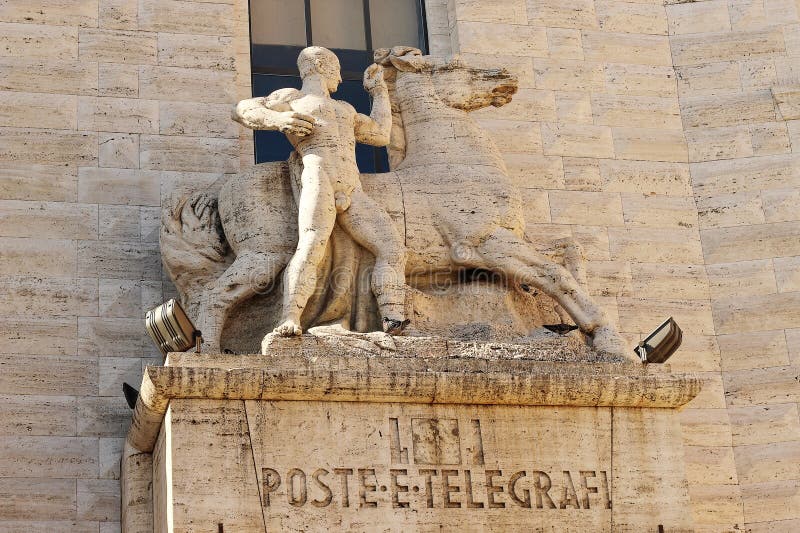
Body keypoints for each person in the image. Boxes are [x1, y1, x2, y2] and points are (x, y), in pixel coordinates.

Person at [233, 46, 409, 336]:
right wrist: (278, 120)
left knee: (391, 249)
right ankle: (289, 317)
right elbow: (242, 109)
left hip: (353, 189)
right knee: (312, 244)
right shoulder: (293, 98)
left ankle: (393, 318)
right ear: (322, 67)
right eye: (337, 71)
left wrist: (379, 92)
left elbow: (380, 134)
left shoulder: (346, 110)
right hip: (320, 177)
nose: (340, 80)